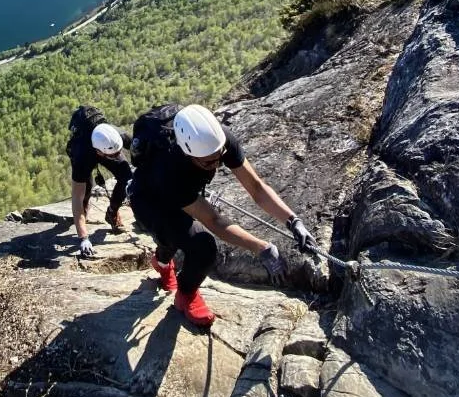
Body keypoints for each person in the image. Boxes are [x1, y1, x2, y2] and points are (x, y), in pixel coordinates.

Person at [128, 102, 314, 328]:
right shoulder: (169, 169)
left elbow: (256, 187)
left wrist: (293, 221)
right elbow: (214, 221)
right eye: (209, 161)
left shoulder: (218, 141)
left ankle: (163, 262)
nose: (217, 163)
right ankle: (185, 296)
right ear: (188, 152)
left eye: (220, 156)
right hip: (151, 201)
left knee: (177, 236)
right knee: (201, 245)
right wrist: (261, 248)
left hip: (182, 191)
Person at [67, 105, 133, 259]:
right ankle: (82, 217)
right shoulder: (81, 155)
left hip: (103, 148)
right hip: (87, 152)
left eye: (119, 153)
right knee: (86, 190)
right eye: (113, 155)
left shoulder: (117, 136)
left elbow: (141, 150)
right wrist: (83, 238)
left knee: (126, 175)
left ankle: (112, 212)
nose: (118, 156)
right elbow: (76, 196)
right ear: (99, 152)